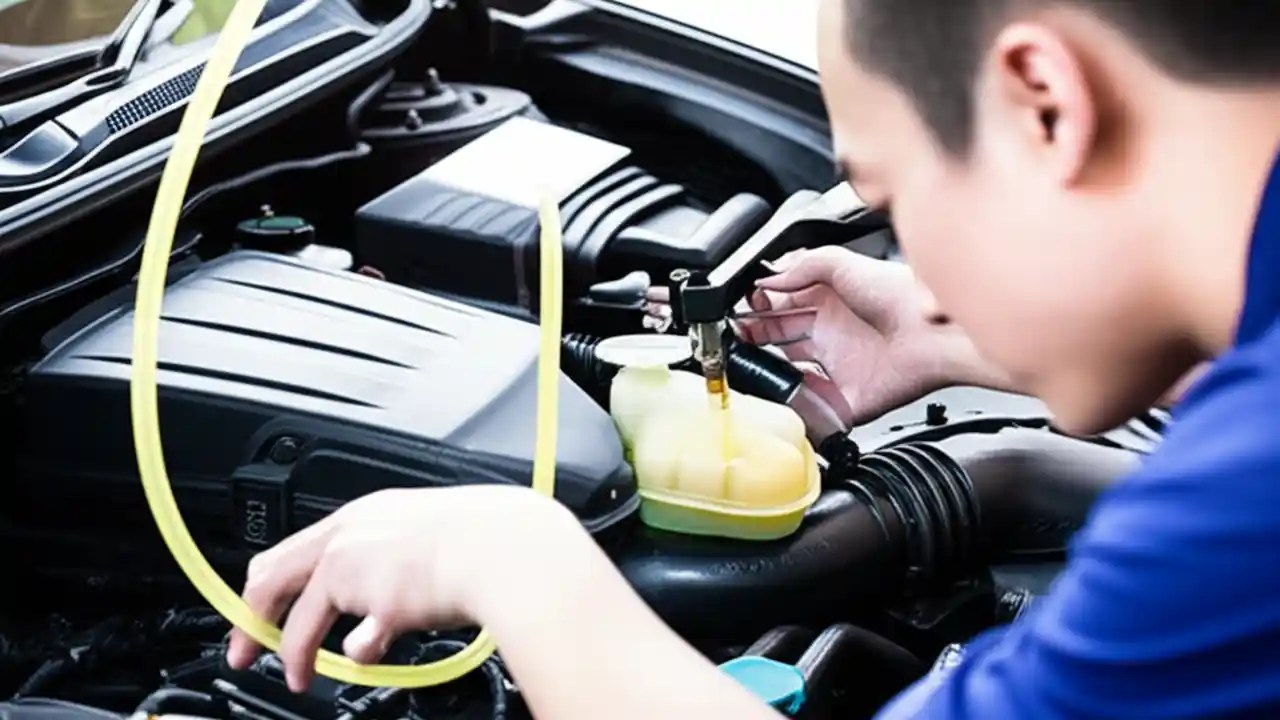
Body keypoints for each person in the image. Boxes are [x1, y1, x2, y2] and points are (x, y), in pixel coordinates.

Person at [227, 0, 1280, 716]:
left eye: (892, 201)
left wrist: (516, 562)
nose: (917, 256)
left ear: (1040, 103)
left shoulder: (1246, 497)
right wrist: (953, 336)